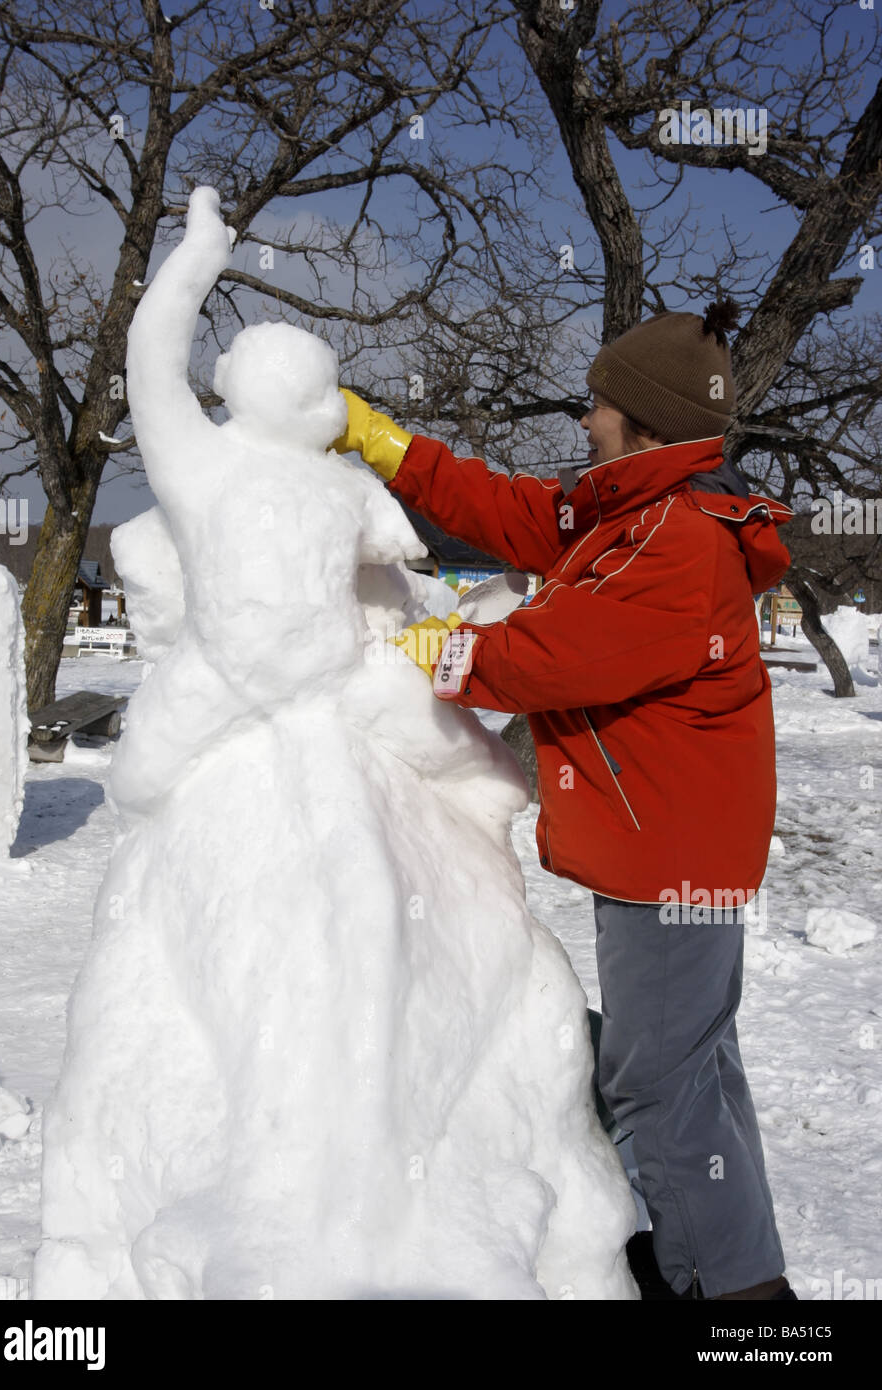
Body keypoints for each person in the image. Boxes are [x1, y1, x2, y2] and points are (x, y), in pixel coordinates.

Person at [330, 301, 797, 1301]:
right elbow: (520, 517)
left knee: (656, 1085)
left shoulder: (674, 541)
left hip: (668, 858)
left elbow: (552, 657)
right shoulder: (638, 511)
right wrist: (391, 447)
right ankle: (728, 1262)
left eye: (599, 403)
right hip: (673, 845)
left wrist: (434, 649)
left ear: (646, 422)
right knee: (694, 1071)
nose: (584, 418)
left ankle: (739, 1305)